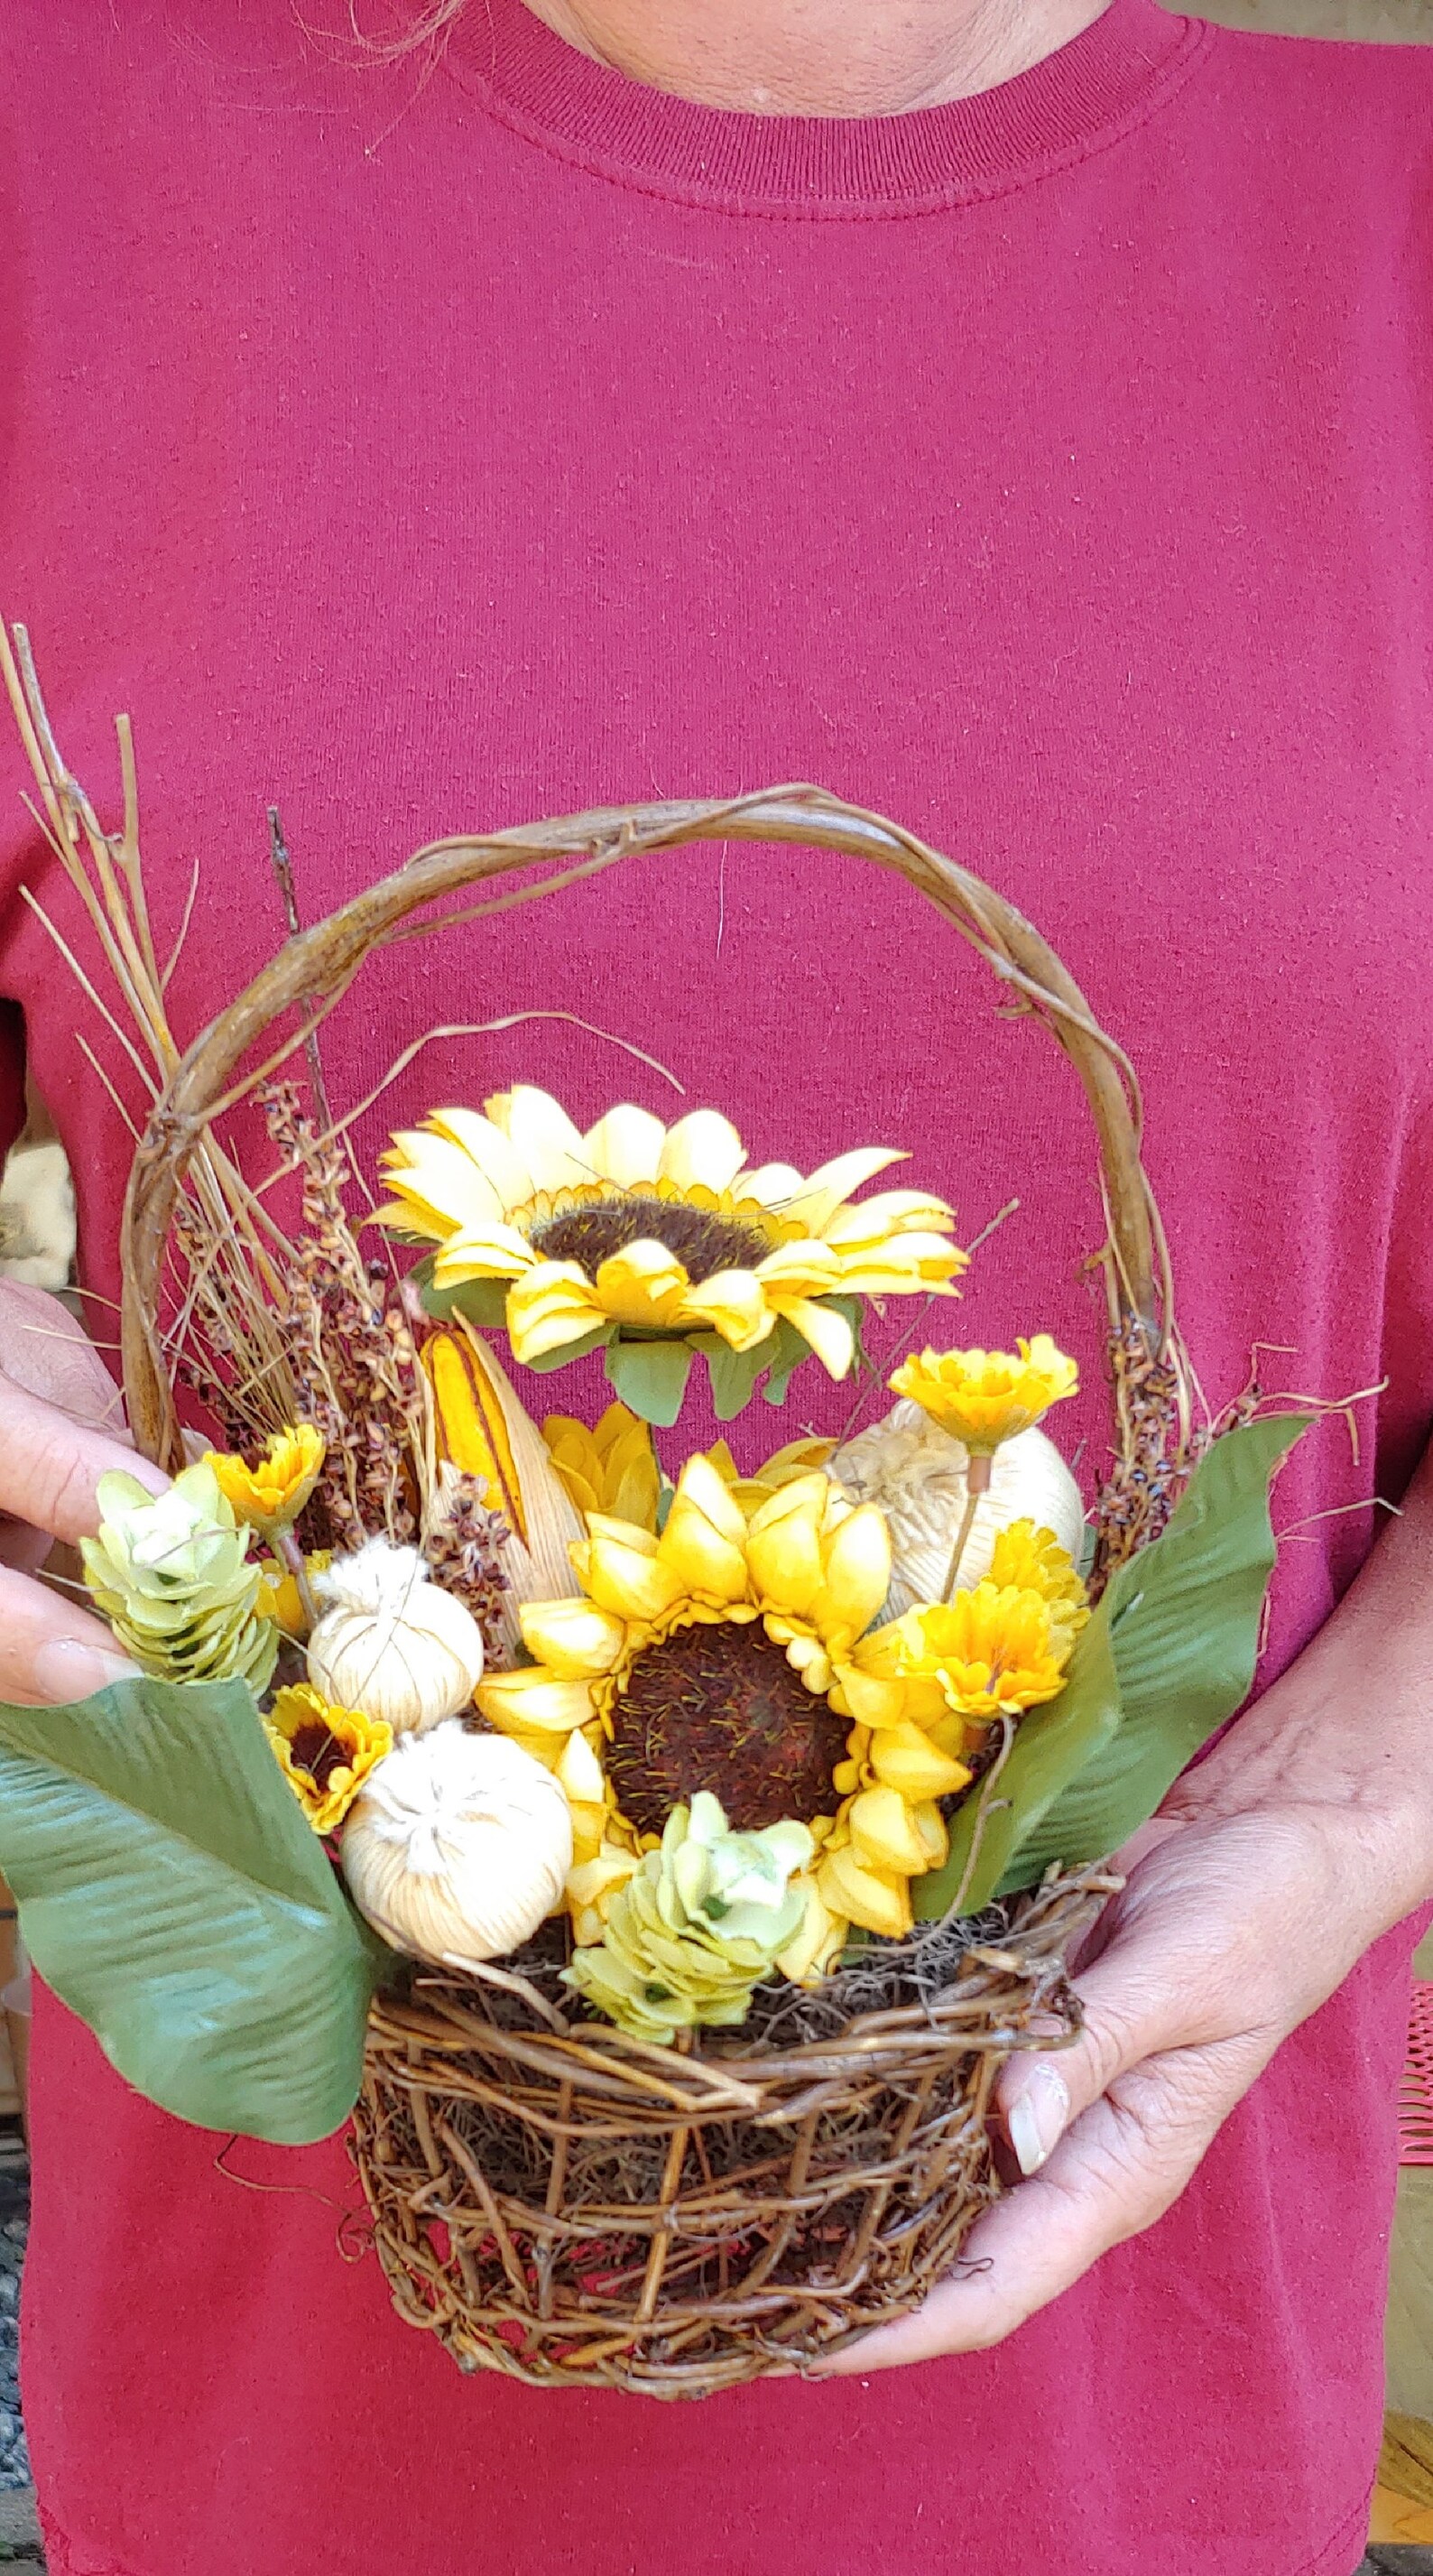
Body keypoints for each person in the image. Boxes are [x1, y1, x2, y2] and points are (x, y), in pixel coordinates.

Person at [0, 2, 1429, 2571]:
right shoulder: (57, 152)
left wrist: (1349, 1789)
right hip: (277, 2468)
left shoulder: (1393, 226)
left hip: (1139, 2462)